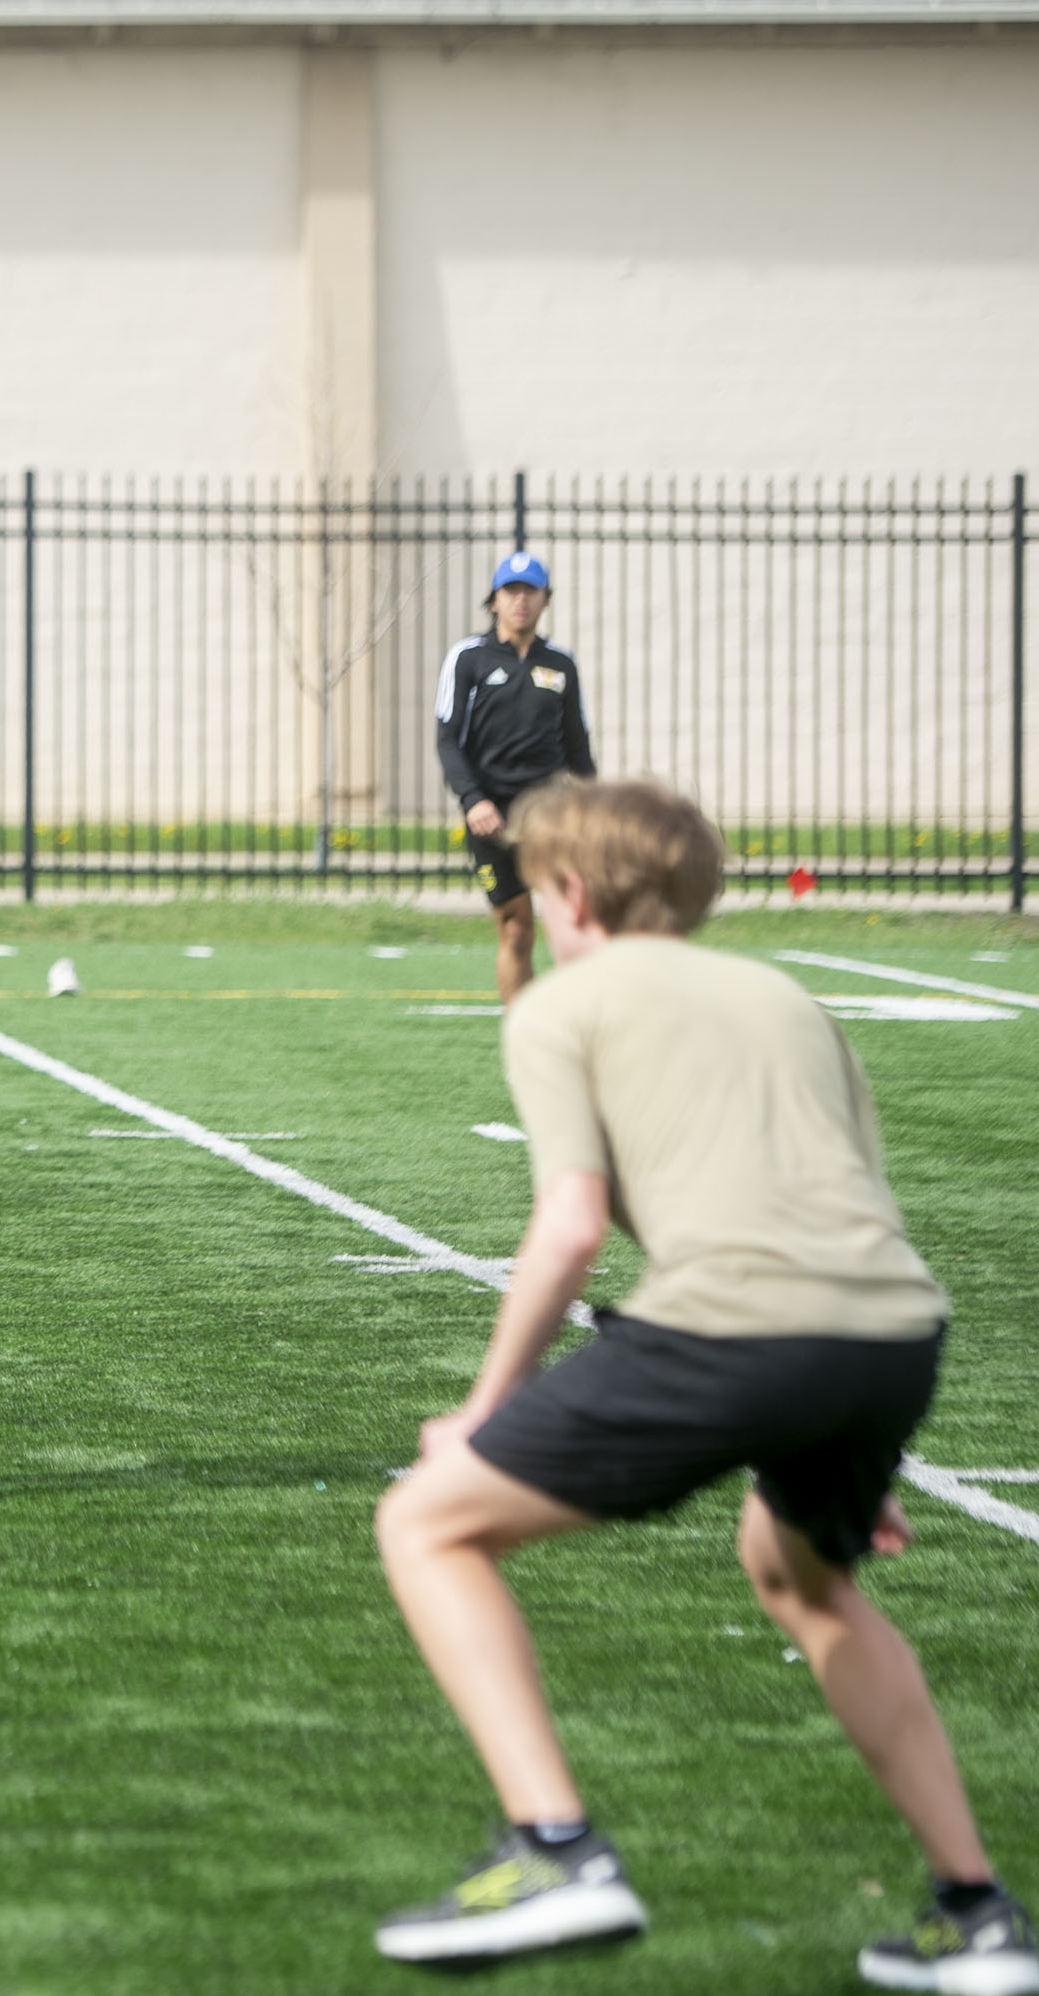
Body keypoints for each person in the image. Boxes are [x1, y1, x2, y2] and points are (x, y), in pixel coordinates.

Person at [370, 777, 1031, 1991]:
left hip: (741, 1331)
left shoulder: (559, 1007)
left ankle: (555, 1846)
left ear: (570, 891)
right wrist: (854, 1450)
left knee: (426, 1519)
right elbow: (846, 1203)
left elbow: (571, 1224)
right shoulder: (786, 996)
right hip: (889, 1337)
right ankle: (976, 1909)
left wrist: (483, 1409)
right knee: (801, 1574)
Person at [436, 551, 593, 1005]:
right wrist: (473, 800)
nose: (520, 600)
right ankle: (524, 1041)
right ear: (495, 600)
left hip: (550, 815)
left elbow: (578, 747)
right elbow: (447, 740)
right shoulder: (468, 658)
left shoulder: (561, 664)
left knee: (573, 924)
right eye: (511, 591)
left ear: (546, 599)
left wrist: (593, 807)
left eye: (530, 591)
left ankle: (576, 1031)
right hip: (491, 816)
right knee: (517, 929)